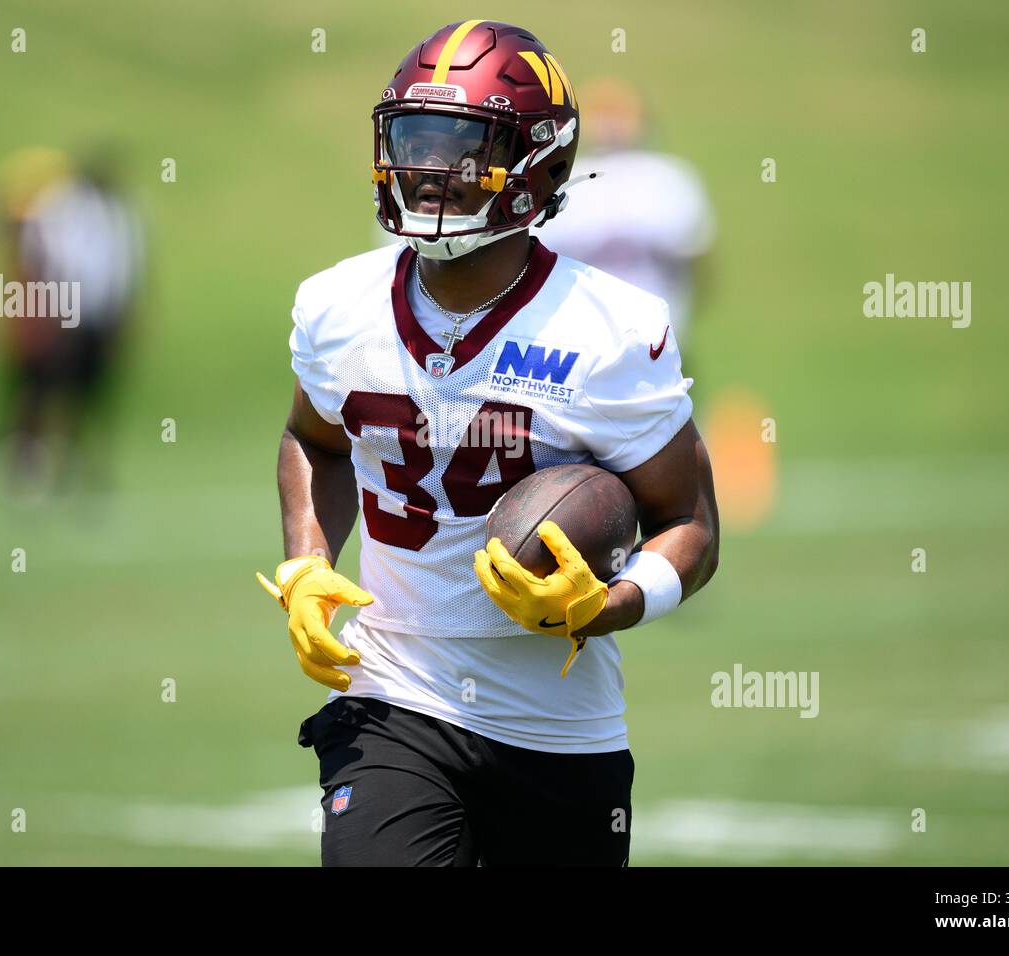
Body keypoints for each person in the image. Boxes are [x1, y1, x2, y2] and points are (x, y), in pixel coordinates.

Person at [258, 20, 719, 866]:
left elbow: (690, 523)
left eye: (463, 147)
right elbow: (313, 440)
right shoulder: (336, 304)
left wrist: (606, 606)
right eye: (414, 138)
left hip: (559, 731)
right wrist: (306, 561)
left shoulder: (611, 332)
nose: (428, 168)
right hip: (393, 699)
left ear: (536, 166)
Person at [0, 147, 144, 498]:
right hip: (65, 316)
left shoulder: (123, 215)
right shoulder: (64, 212)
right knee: (41, 392)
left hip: (101, 319)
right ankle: (26, 466)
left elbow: (126, 269)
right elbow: (50, 261)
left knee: (91, 397)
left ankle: (78, 466)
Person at [538, 76, 715, 347]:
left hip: (658, 333)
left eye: (620, 115)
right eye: (602, 115)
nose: (611, 126)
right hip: (576, 335)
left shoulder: (670, 178)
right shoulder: (565, 180)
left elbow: (696, 259)